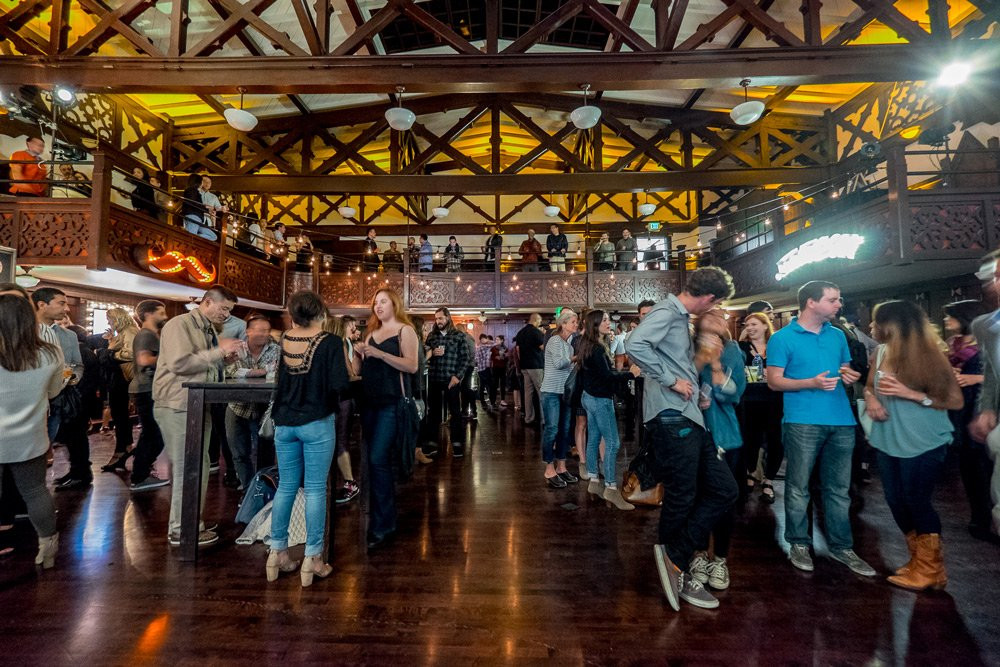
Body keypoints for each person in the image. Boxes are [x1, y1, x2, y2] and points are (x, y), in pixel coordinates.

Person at [627, 267, 739, 611]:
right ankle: (676, 566)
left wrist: (694, 389)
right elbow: (635, 344)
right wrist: (671, 381)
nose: (714, 309)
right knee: (682, 495)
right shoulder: (667, 311)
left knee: (724, 489)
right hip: (673, 416)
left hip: (687, 415)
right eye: (716, 304)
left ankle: (674, 556)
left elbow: (674, 360)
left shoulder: (678, 317)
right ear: (710, 298)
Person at [766, 280, 875, 577]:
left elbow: (843, 369)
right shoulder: (782, 338)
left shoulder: (838, 335)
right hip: (802, 419)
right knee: (798, 486)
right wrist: (810, 383)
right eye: (832, 299)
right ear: (811, 302)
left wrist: (849, 375)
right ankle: (799, 543)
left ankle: (842, 546)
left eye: (839, 299)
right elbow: (774, 381)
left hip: (842, 419)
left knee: (839, 489)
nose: (839, 304)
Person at [863, 300, 963, 590]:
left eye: (876, 321)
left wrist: (912, 394)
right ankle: (919, 560)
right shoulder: (881, 351)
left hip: (922, 439)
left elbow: (954, 400)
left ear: (892, 325)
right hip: (888, 437)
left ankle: (932, 570)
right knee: (895, 500)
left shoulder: (931, 356)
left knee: (916, 500)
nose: (871, 326)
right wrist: (871, 399)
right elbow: (869, 386)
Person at [266, 291, 348, 585]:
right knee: (315, 490)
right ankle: (313, 558)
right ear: (320, 312)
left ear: (294, 314)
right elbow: (340, 385)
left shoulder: (285, 339)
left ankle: (277, 553)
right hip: (316, 421)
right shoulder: (331, 341)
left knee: (286, 487)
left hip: (284, 423)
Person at [154, 285, 244, 547]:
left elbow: (201, 364)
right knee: (188, 467)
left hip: (197, 404)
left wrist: (224, 361)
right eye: (224, 309)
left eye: (229, 311)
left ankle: (192, 522)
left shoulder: (207, 328)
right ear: (207, 302)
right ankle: (182, 530)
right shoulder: (179, 325)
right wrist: (219, 351)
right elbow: (179, 363)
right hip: (178, 403)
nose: (226, 315)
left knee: (199, 465)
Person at [0, 294, 64, 568]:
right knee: (36, 491)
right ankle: (47, 546)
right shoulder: (50, 353)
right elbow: (54, 391)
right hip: (30, 433)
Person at [354, 289, 420, 551]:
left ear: (394, 304)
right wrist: (358, 353)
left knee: (378, 458)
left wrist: (380, 354)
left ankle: (382, 525)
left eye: (383, 301)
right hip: (369, 403)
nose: (378, 306)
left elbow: (412, 366)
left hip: (392, 404)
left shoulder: (405, 331)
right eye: (375, 302)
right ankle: (383, 518)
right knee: (375, 462)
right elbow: (359, 371)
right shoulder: (370, 333)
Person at [689, 311, 747, 591]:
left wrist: (715, 365)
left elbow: (733, 393)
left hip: (723, 433)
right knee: (697, 494)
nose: (715, 323)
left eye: (718, 319)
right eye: (708, 319)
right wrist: (702, 359)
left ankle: (720, 559)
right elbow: (681, 384)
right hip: (694, 432)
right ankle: (699, 554)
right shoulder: (688, 350)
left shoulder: (732, 350)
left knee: (725, 496)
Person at [943, 299, 996, 543]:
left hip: (982, 405)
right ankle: (979, 517)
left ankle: (988, 519)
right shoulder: (952, 343)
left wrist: (975, 378)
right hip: (961, 406)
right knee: (969, 464)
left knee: (985, 466)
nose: (946, 320)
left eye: (950, 316)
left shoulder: (988, 340)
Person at [578, 309, 640, 508]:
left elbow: (598, 374)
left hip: (589, 397)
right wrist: (631, 374)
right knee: (613, 442)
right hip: (599, 399)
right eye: (604, 320)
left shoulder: (587, 344)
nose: (608, 323)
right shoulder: (596, 348)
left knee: (594, 439)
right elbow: (607, 377)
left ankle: (594, 481)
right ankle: (611, 488)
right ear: (595, 324)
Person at [32, 287, 90, 490]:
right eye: (61, 303)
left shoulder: (68, 336)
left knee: (51, 442)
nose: (66, 309)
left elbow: (78, 365)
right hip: (31, 399)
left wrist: (72, 377)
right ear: (42, 304)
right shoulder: (25, 332)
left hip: (60, 398)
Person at [224, 313, 279, 491]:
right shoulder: (236, 349)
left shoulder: (276, 349)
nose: (264, 334)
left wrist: (247, 372)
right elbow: (231, 371)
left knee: (266, 452)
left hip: (265, 407)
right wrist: (263, 371)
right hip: (237, 406)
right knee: (239, 453)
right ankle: (248, 490)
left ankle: (262, 489)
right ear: (248, 331)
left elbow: (276, 373)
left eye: (267, 330)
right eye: (259, 330)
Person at [738, 312, 783, 503]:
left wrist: (772, 373)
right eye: (747, 325)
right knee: (750, 439)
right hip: (750, 399)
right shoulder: (742, 347)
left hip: (774, 399)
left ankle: (769, 480)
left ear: (765, 325)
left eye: (754, 324)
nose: (750, 328)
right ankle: (750, 473)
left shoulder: (776, 346)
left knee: (775, 440)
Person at [129, 300, 170, 492]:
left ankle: (142, 472)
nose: (165, 316)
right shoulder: (146, 335)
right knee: (153, 434)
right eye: (161, 313)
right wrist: (171, 357)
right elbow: (144, 359)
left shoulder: (151, 335)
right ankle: (139, 476)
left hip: (149, 388)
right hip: (146, 389)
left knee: (153, 434)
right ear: (148, 314)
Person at [539, 308, 579, 488]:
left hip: (564, 392)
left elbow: (568, 369)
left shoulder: (569, 345)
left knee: (564, 430)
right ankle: (549, 468)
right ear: (563, 324)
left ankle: (561, 466)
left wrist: (573, 359)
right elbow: (559, 363)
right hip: (551, 391)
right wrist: (576, 358)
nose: (576, 325)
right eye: (573, 322)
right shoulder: (555, 340)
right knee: (552, 429)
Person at [424, 307, 470, 457]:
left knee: (455, 413)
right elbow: (424, 355)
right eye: (436, 318)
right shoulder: (432, 336)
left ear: (448, 318)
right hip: (434, 378)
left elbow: (465, 358)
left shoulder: (458, 336)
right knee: (433, 412)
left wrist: (457, 377)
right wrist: (432, 353)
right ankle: (432, 444)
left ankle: (457, 444)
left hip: (451, 379)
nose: (438, 321)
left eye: (440, 318)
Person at [325, 315, 361, 503]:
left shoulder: (338, 345)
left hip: (340, 399)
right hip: (341, 397)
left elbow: (350, 372)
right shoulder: (338, 345)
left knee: (339, 441)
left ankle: (349, 483)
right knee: (339, 441)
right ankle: (345, 483)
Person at [100, 307, 138, 472]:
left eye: (110, 320)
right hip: (120, 378)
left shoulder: (129, 331)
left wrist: (108, 353)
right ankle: (124, 448)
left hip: (122, 379)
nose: (109, 323)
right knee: (119, 414)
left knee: (120, 414)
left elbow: (131, 354)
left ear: (118, 319)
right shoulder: (125, 332)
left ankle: (123, 449)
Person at [514, 313, 545, 426]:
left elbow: (518, 350)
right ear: (536, 320)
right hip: (536, 365)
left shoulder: (520, 332)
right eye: (539, 322)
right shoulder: (536, 332)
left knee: (528, 393)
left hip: (524, 365)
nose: (539, 324)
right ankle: (543, 419)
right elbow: (543, 347)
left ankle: (528, 418)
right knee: (542, 392)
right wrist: (544, 335)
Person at [181, 173, 210, 239]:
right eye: (202, 181)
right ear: (198, 182)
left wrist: (206, 208)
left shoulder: (193, 191)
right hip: (193, 216)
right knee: (191, 237)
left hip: (197, 217)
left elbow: (194, 202)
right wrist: (206, 209)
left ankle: (196, 239)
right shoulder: (192, 190)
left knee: (213, 236)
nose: (202, 184)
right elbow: (193, 203)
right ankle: (194, 240)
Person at [199, 175, 225, 241]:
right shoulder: (196, 193)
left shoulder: (213, 197)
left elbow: (218, 207)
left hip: (209, 220)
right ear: (200, 182)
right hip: (198, 218)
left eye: (209, 182)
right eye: (205, 181)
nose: (207, 183)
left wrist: (223, 208)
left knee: (209, 239)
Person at [475, 334, 494, 410]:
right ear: (480, 340)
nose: (483, 340)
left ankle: (489, 402)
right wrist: (481, 361)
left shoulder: (487, 346)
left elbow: (495, 344)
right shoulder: (480, 347)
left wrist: (488, 341)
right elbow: (476, 359)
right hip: (482, 369)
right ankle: (483, 402)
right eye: (482, 339)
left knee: (488, 385)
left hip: (486, 368)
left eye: (484, 339)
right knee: (483, 385)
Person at [490, 335, 508, 408]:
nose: (496, 341)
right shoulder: (493, 348)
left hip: (503, 368)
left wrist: (504, 356)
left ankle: (502, 400)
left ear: (502, 340)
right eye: (496, 339)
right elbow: (490, 357)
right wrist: (495, 357)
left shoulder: (505, 348)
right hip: (495, 368)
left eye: (498, 339)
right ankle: (493, 401)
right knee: (494, 384)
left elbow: (507, 358)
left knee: (503, 384)